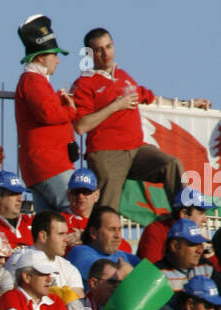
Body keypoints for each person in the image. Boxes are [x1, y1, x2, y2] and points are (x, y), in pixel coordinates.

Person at [71, 27, 181, 212]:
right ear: (89, 55)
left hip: (136, 149)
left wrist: (189, 103)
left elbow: (149, 97)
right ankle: (97, 238)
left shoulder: (123, 76)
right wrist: (115, 106)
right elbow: (81, 126)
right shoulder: (84, 83)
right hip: (107, 153)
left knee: (172, 165)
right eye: (99, 50)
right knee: (107, 210)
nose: (106, 54)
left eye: (109, 46)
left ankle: (183, 221)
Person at [14, 14, 76, 211]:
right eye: (54, 55)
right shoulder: (33, 81)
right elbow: (47, 113)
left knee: (49, 225)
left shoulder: (34, 82)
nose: (57, 61)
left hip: (42, 166)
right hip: (49, 165)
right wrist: (69, 110)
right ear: (41, 57)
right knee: (73, 210)